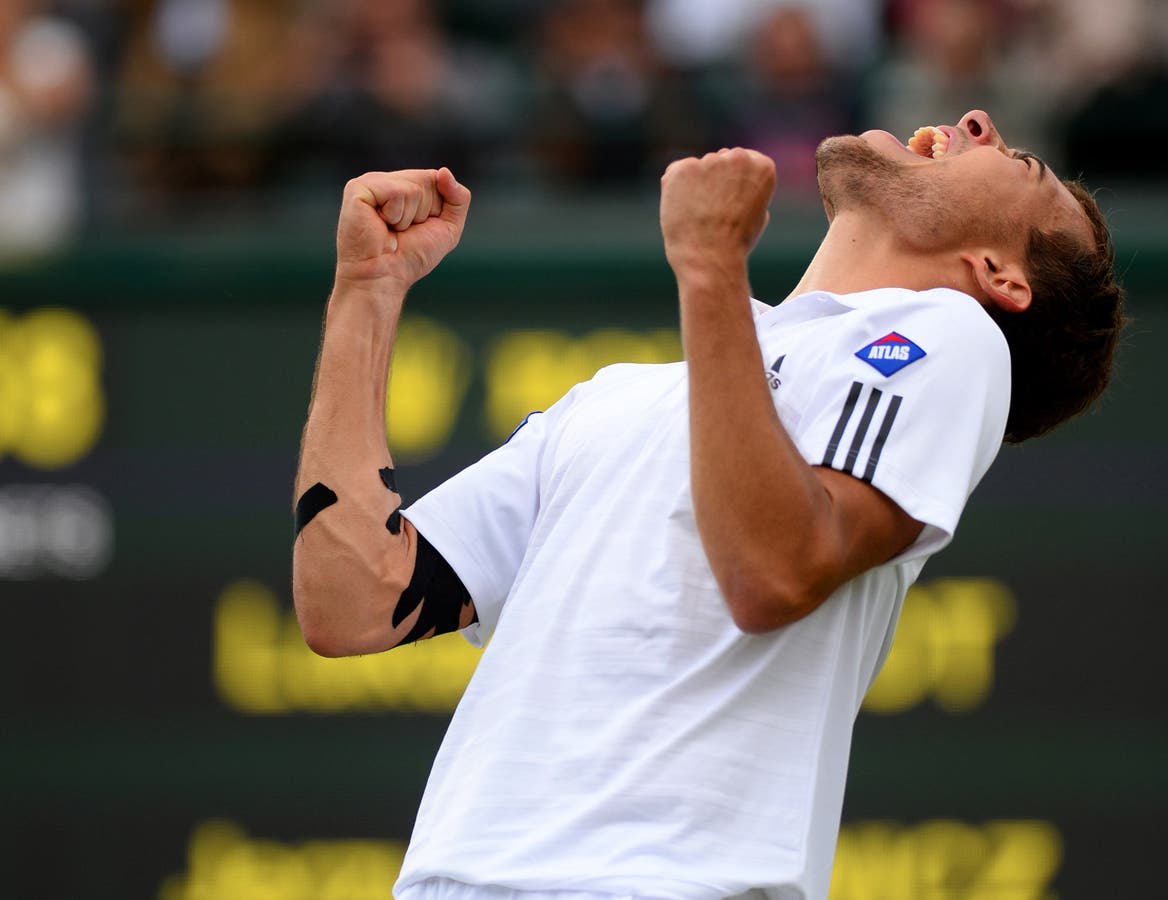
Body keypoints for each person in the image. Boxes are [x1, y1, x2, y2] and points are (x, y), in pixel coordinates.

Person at [291, 110, 1124, 898]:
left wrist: (711, 264)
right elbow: (353, 602)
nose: (978, 124)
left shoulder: (953, 338)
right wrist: (367, 289)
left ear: (1000, 278)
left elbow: (772, 572)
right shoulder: (617, 398)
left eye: (1021, 163)